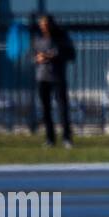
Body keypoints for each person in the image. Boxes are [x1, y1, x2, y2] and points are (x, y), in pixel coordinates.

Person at [31, 14, 75, 148]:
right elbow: (32, 56)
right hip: (42, 78)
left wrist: (53, 56)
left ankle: (66, 138)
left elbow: (71, 54)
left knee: (62, 108)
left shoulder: (61, 37)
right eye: (41, 24)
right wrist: (37, 58)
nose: (44, 27)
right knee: (46, 109)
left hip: (57, 77)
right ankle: (50, 139)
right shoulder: (37, 39)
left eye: (46, 24)